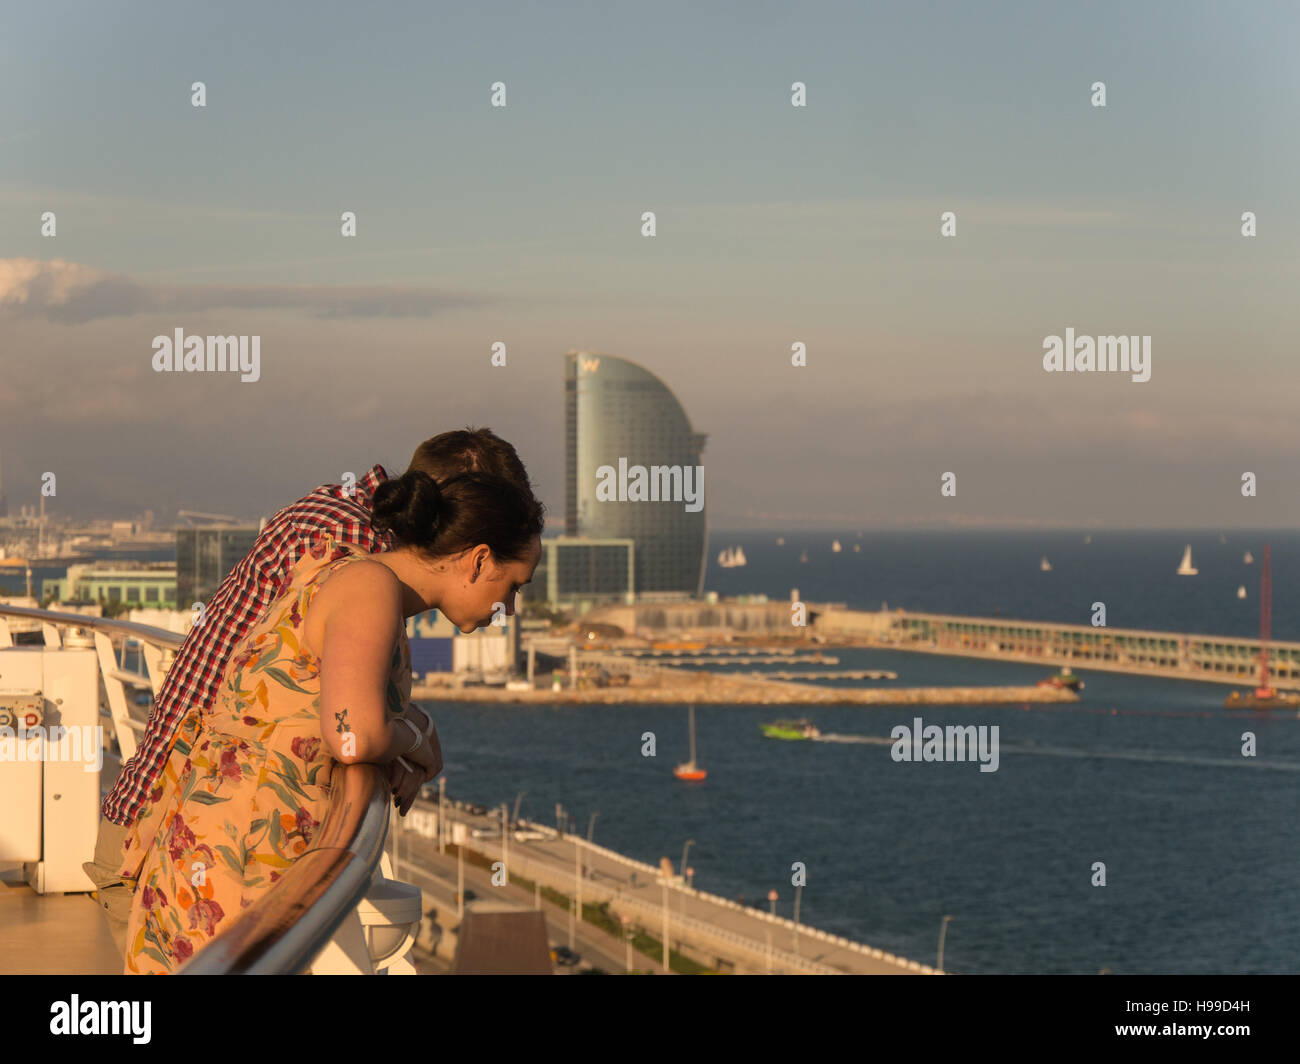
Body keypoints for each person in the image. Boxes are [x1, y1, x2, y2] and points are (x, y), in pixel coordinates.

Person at [82, 427, 538, 957]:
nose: (512, 607)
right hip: (229, 862)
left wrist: (398, 735)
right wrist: (416, 734)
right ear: (477, 551)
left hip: (221, 844)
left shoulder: (348, 552)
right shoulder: (365, 571)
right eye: (515, 587)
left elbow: (320, 697)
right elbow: (352, 732)